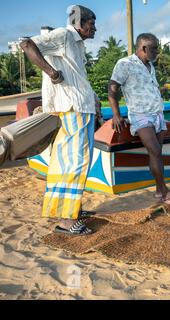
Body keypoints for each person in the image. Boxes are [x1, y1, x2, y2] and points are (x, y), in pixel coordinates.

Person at [20, 5, 100, 235]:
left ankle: (73, 209)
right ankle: (66, 221)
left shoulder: (76, 43)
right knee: (74, 162)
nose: (95, 28)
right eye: (92, 24)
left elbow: (78, 77)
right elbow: (27, 44)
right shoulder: (65, 35)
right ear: (80, 23)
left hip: (79, 108)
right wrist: (52, 73)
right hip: (72, 109)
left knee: (70, 161)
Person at [108, 33, 170, 204]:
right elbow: (112, 88)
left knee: (155, 153)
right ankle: (165, 192)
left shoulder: (150, 66)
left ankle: (159, 191)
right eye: (154, 48)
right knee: (156, 151)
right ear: (143, 48)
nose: (157, 52)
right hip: (140, 114)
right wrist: (116, 114)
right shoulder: (125, 63)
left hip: (157, 114)